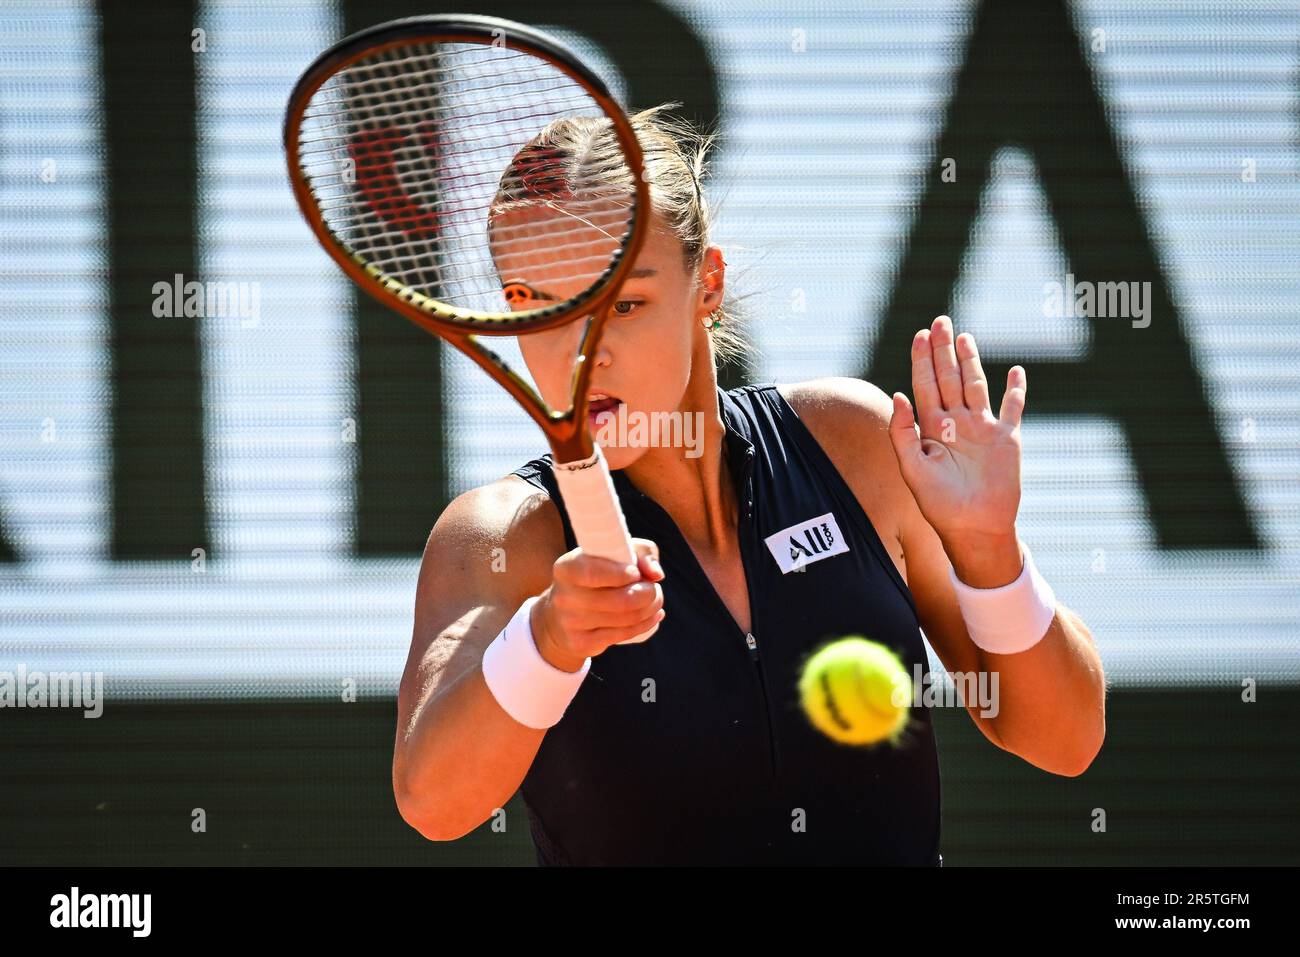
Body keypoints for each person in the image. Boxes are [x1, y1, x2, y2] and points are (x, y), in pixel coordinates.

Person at [392, 104, 1106, 865]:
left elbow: (1065, 737)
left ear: (708, 286)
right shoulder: (502, 538)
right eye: (540, 310)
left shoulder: (855, 444)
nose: (580, 354)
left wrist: (990, 551)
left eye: (623, 304)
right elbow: (433, 802)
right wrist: (549, 637)